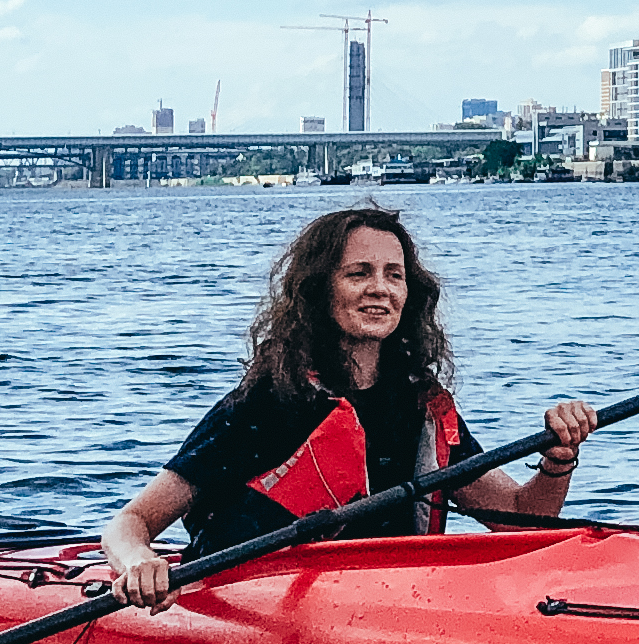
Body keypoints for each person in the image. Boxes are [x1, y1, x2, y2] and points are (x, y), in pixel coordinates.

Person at [100, 205, 597, 607]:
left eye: (393, 275)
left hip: (390, 604)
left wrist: (559, 458)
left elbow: (519, 516)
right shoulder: (270, 400)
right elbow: (129, 525)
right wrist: (139, 563)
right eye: (359, 273)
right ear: (320, 290)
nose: (380, 288)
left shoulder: (421, 403)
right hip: (259, 604)